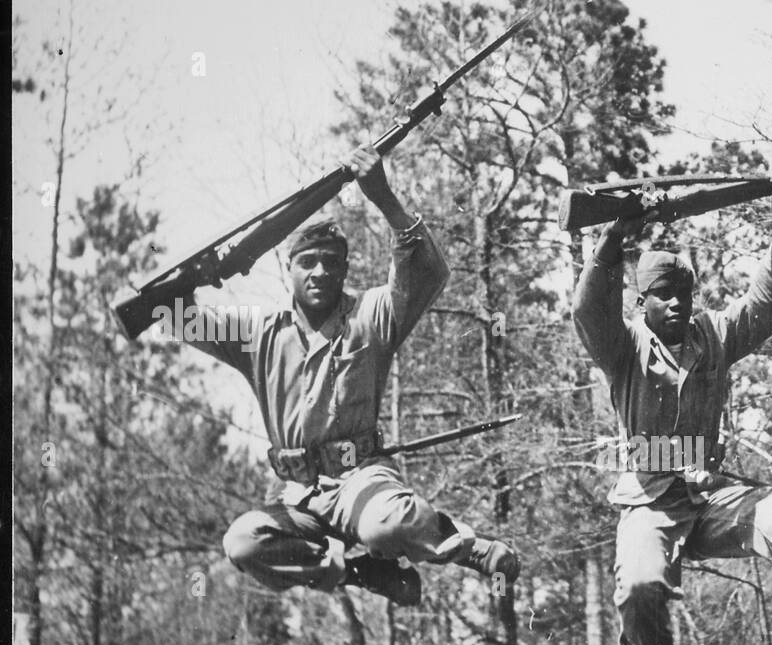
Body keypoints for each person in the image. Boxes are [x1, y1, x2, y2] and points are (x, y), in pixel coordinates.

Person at [172, 145, 518, 607]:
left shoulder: (371, 315)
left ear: (345, 269)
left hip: (361, 479)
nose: (320, 272)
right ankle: (361, 573)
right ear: (287, 269)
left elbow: (428, 272)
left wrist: (384, 199)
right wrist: (197, 275)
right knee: (245, 544)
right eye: (308, 261)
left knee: (386, 524)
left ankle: (465, 547)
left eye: (331, 262)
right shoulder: (260, 335)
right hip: (297, 494)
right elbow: (178, 317)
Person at [571, 176, 772, 645]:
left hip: (710, 497)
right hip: (650, 499)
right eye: (663, 294)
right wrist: (612, 238)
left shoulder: (711, 334)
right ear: (641, 302)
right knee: (639, 587)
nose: (676, 303)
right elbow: (589, 311)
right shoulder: (623, 346)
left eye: (684, 295)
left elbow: (769, 303)